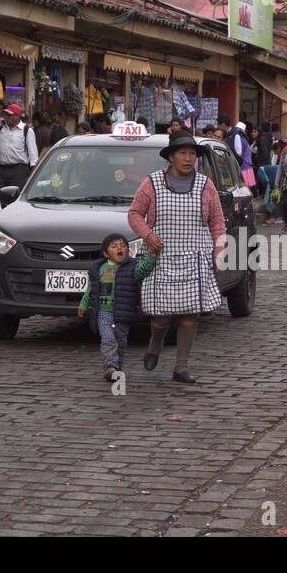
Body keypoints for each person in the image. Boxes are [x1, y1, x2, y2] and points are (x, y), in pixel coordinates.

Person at [128, 130, 226, 384]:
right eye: (182, 153)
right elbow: (134, 214)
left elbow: (217, 221)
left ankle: (181, 367)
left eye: (192, 153)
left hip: (195, 258)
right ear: (171, 157)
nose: (188, 158)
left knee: (189, 315)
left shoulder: (206, 186)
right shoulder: (151, 183)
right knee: (162, 316)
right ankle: (155, 343)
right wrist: (148, 235)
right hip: (161, 257)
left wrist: (219, 252)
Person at [77, 234, 158, 382]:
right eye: (114, 246)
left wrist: (152, 257)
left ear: (128, 250)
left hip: (123, 313)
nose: (119, 248)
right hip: (104, 312)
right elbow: (91, 289)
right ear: (106, 253)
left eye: (123, 246)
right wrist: (84, 304)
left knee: (121, 341)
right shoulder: (100, 269)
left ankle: (117, 367)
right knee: (108, 338)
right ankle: (110, 366)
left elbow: (144, 270)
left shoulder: (132, 267)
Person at [0, 103, 38, 207]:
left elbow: (33, 156)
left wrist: (31, 177)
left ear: (17, 116)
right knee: (2, 202)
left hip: (19, 171)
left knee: (16, 201)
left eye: (9, 115)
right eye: (5, 115)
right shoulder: (1, 130)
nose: (6, 117)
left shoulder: (26, 131)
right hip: (2, 171)